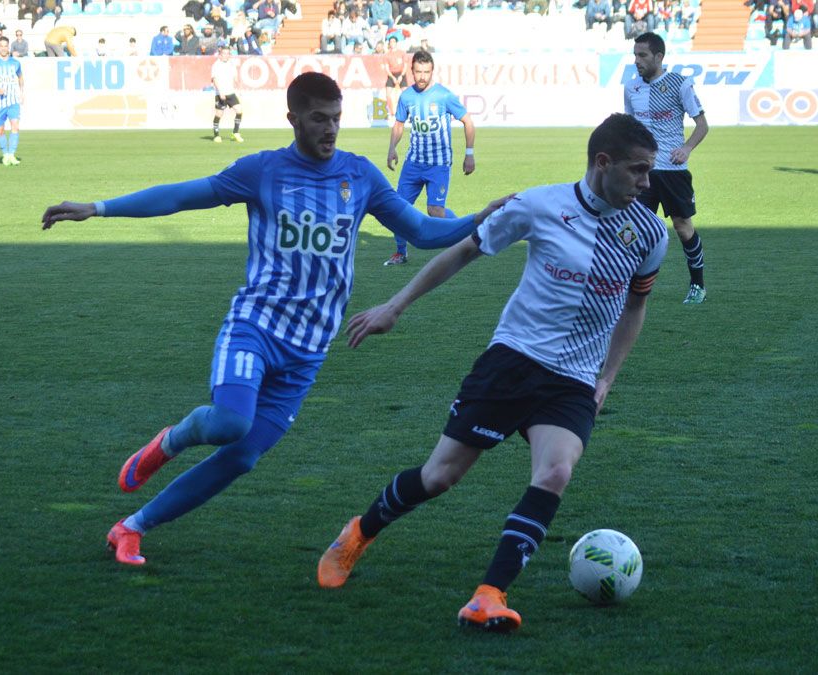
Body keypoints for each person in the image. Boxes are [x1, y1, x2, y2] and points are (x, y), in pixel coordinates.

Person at [39, 72, 508, 568]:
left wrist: (478, 218)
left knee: (241, 456)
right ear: (294, 120)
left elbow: (421, 231)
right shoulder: (262, 171)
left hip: (308, 350)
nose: (330, 130)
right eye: (318, 120)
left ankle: (130, 528)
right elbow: (181, 195)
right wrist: (98, 208)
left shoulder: (359, 176)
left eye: (336, 119)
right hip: (256, 327)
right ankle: (171, 439)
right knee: (230, 422)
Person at [317, 112, 667, 633]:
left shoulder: (647, 232)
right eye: (638, 171)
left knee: (555, 472)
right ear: (603, 163)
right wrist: (396, 305)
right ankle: (360, 532)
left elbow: (635, 307)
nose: (646, 184)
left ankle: (488, 596)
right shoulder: (539, 206)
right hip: (513, 361)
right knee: (439, 477)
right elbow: (463, 253)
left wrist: (607, 376)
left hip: (573, 379)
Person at [624, 32, 709, 305]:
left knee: (683, 227)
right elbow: (630, 128)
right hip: (642, 173)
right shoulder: (631, 88)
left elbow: (702, 125)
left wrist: (686, 148)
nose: (637, 60)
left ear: (659, 57)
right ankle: (630, 285)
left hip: (672, 172)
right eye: (635, 55)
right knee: (635, 228)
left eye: (642, 55)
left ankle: (698, 285)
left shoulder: (679, 84)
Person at [384, 50, 475, 266]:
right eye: (418, 71)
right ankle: (400, 252)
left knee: (435, 211)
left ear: (432, 71)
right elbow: (399, 124)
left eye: (426, 71)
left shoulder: (443, 95)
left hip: (438, 164)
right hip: (413, 163)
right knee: (398, 209)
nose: (422, 76)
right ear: (412, 71)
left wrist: (469, 154)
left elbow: (468, 122)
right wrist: (392, 148)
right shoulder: (406, 96)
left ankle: (468, 231)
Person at [0, 35, 24, 166]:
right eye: (1, 46)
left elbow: (20, 78)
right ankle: (5, 154)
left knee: (15, 127)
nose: (3, 48)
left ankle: (12, 155)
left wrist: (22, 93)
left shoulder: (15, 63)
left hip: (13, 101)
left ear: (8, 47)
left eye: (5, 46)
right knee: (0, 130)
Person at [210, 45, 244, 143]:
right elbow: (215, 79)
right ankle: (216, 135)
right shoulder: (216, 65)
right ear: (220, 55)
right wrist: (220, 92)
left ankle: (235, 133)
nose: (226, 55)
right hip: (221, 93)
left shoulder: (231, 64)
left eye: (228, 53)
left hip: (231, 93)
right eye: (224, 53)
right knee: (219, 114)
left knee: (239, 110)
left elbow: (235, 78)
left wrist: (239, 87)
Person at [380, 36, 407, 123]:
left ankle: (407, 113)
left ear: (396, 43)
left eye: (393, 42)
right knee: (388, 94)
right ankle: (392, 113)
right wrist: (392, 77)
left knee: (406, 94)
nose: (392, 44)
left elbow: (405, 66)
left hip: (401, 73)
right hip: (392, 74)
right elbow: (387, 68)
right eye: (390, 42)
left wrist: (401, 76)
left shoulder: (402, 53)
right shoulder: (387, 55)